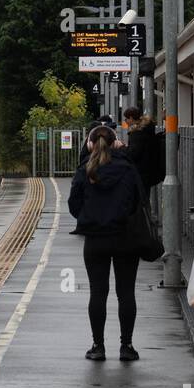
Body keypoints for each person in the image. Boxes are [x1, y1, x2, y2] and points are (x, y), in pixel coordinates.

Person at [67, 125, 142, 362]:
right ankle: (127, 347)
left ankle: (98, 347)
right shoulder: (128, 168)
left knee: (98, 293)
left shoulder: (85, 169)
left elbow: (73, 204)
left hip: (95, 240)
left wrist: (89, 218)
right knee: (126, 293)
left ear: (90, 144)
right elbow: (138, 200)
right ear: (115, 143)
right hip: (125, 237)